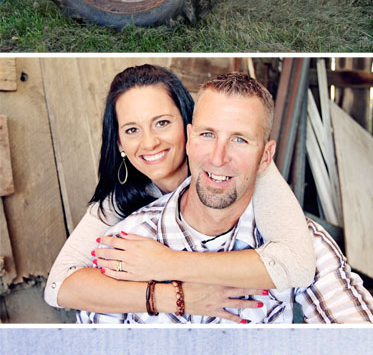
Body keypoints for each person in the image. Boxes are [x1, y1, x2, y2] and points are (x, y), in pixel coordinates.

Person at [74, 72, 373, 324]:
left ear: (266, 157)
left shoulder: (302, 242)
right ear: (191, 138)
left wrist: (169, 264)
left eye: (239, 139)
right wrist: (170, 297)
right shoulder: (126, 240)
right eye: (208, 135)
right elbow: (59, 289)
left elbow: (364, 341)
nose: (218, 157)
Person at [44, 64, 316, 322]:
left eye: (162, 123)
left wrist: (168, 263)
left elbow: (297, 264)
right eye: (132, 130)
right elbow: (58, 287)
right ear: (120, 144)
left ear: (188, 124)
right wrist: (176, 297)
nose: (149, 142)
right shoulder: (118, 203)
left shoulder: (242, 171)